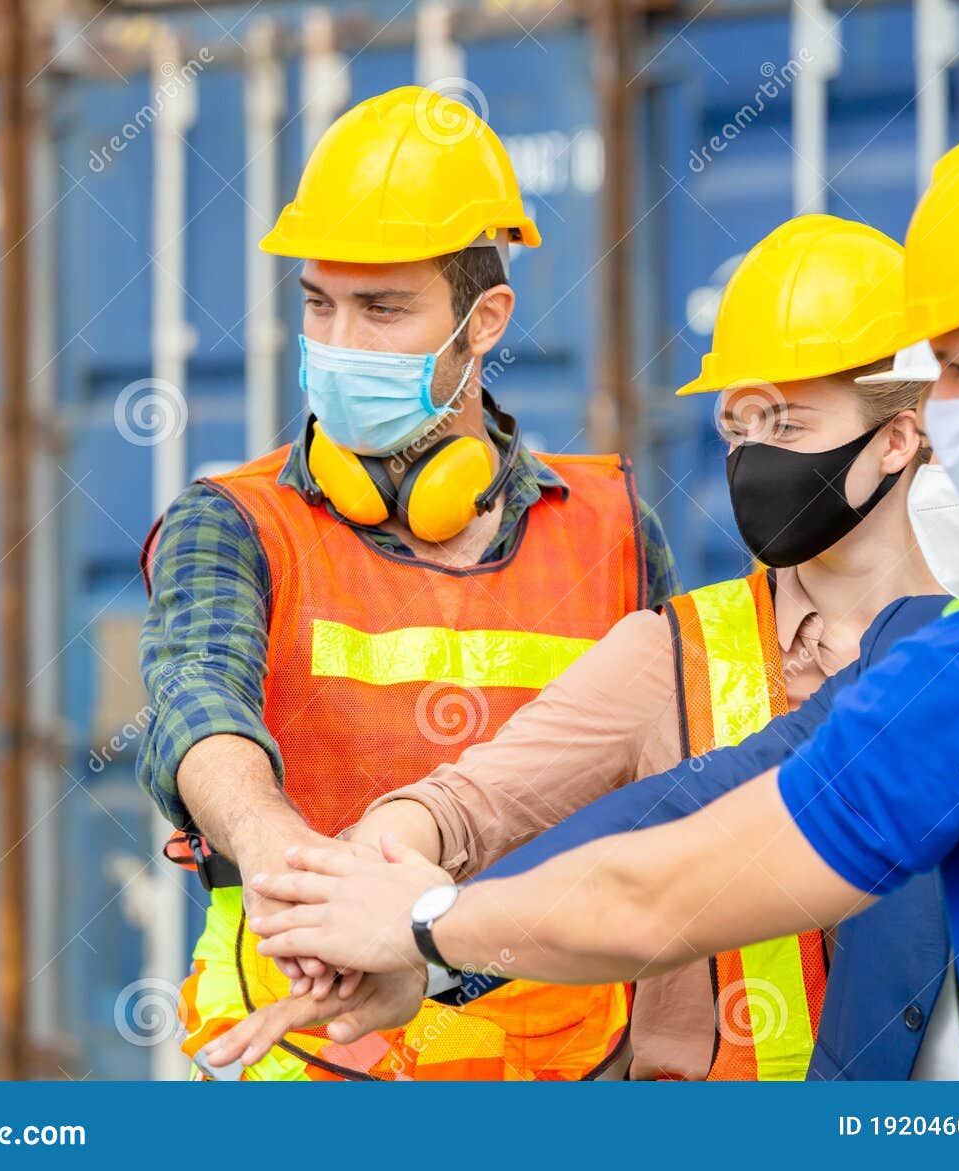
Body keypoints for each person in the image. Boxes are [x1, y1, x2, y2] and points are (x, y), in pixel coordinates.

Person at [232, 119, 959, 1081]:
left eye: (955, 371)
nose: (935, 408)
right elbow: (697, 791)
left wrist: (427, 934)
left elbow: (660, 893)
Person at [206, 215, 959, 1080]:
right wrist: (373, 885)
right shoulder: (669, 655)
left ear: (897, 440)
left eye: (785, 425)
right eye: (736, 425)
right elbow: (475, 803)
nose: (753, 456)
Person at [135, 85, 679, 1082]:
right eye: (317, 304)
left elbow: (674, 793)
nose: (338, 342)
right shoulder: (235, 521)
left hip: (574, 1063)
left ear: (484, 321)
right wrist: (267, 841)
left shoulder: (611, 530)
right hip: (306, 1048)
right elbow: (193, 694)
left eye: (381, 308)